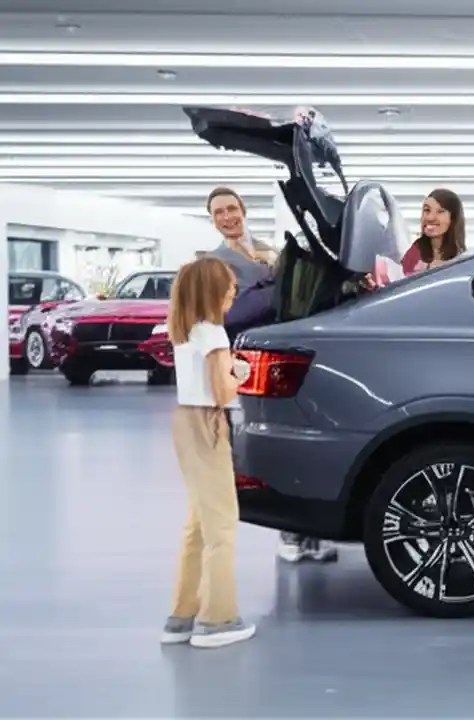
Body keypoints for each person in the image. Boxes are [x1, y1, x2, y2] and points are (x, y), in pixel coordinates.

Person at [202, 186, 339, 564]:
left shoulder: (269, 251)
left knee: (302, 445)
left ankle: (309, 533)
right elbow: (225, 316)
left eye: (232, 208)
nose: (227, 217)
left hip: (286, 357)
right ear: (212, 220)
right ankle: (290, 534)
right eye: (218, 212)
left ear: (243, 210)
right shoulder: (214, 263)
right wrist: (271, 288)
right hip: (251, 363)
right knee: (277, 449)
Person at [160, 256, 256, 649]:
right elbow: (221, 393)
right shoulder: (214, 334)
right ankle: (218, 620)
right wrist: (241, 375)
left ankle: (181, 617)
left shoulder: (186, 330)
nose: (234, 290)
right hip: (207, 424)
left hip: (185, 421)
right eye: (229, 285)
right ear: (212, 290)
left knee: (199, 523)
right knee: (222, 525)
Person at [401, 189, 466, 275]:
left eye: (440, 211)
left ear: (453, 219)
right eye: (427, 210)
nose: (430, 218)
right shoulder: (414, 252)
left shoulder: (462, 261)